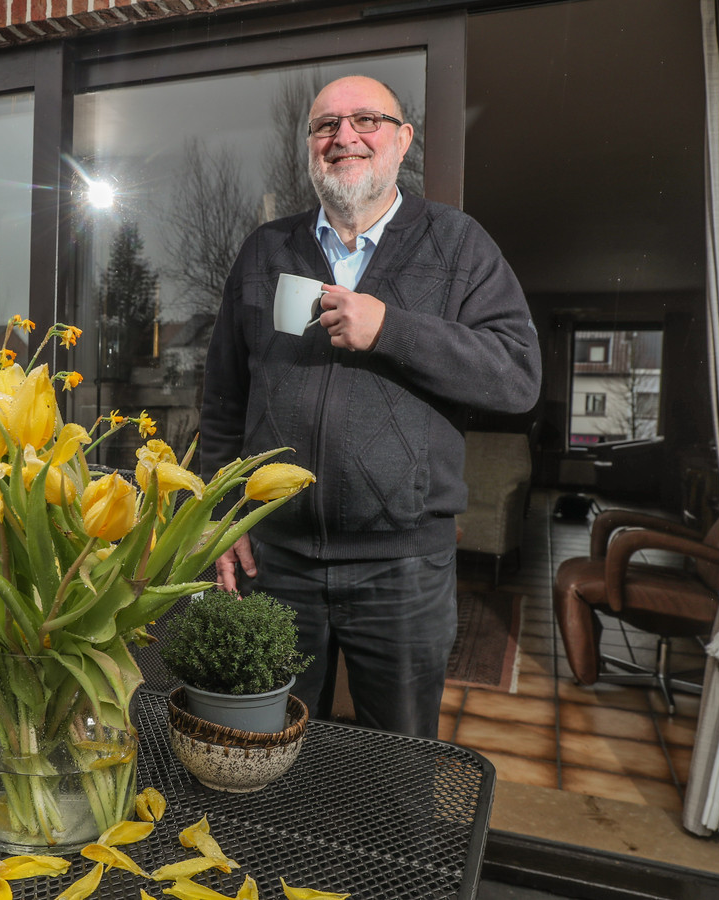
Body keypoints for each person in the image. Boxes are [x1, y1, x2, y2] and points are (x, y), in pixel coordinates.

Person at [199, 75, 541, 738]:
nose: (343, 137)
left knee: (396, 759)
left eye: (365, 121)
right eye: (326, 125)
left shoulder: (458, 244)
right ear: (310, 145)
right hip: (277, 559)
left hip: (403, 568)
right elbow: (222, 399)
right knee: (266, 749)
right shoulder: (266, 250)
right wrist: (222, 513)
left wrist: (390, 329)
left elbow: (517, 377)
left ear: (402, 139)